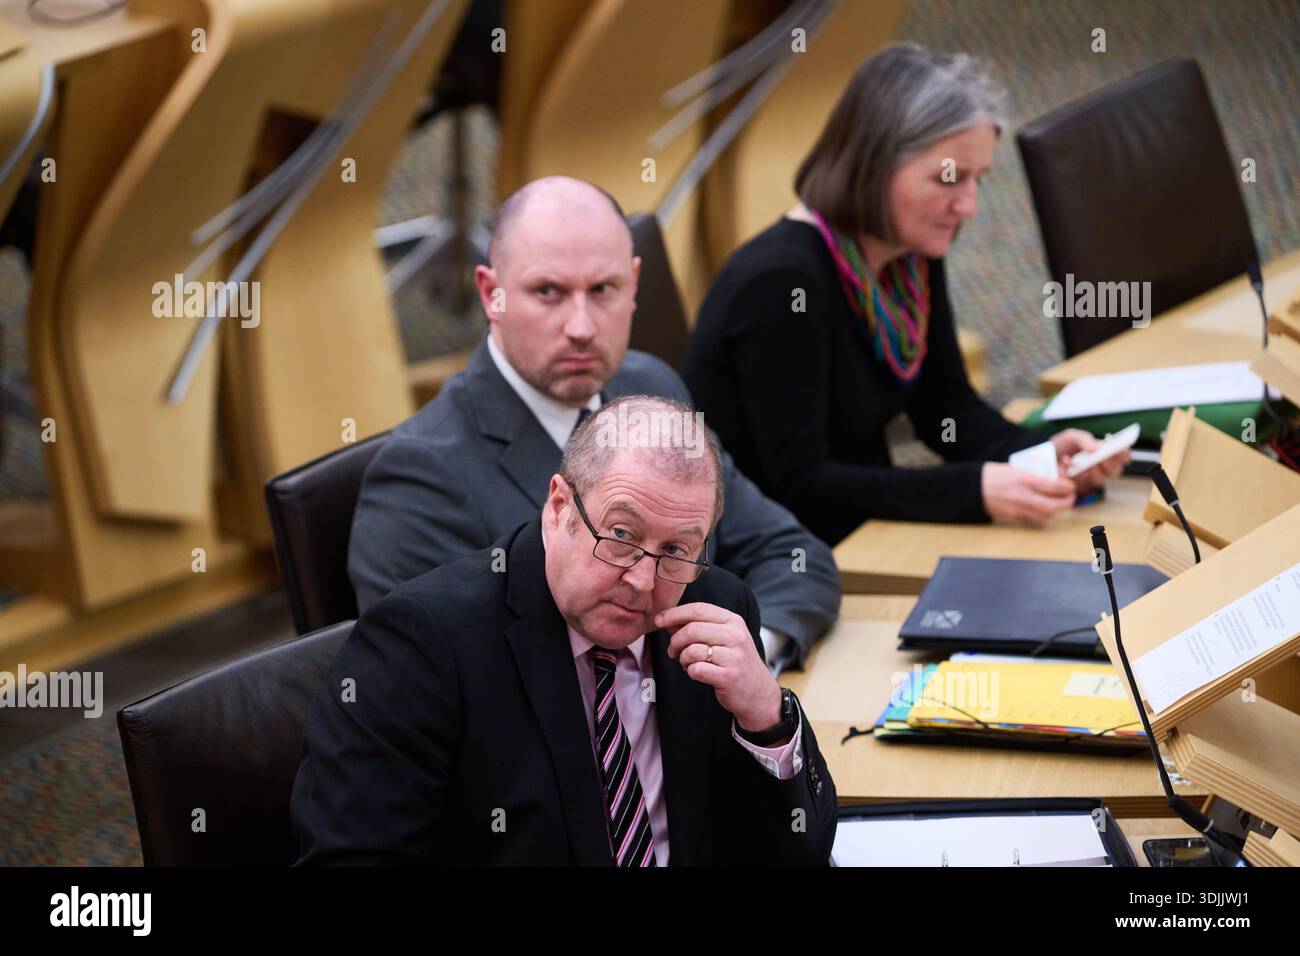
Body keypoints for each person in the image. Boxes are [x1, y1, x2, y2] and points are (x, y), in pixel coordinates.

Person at [292, 395, 837, 866]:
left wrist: (767, 718)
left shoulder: (716, 608)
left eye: (676, 550)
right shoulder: (422, 644)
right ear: (558, 509)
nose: (643, 579)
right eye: (622, 534)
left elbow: (797, 853)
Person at [349, 176, 839, 667]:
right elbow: (440, 688)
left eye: (603, 289)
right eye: (548, 292)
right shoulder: (419, 478)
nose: (581, 327)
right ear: (490, 294)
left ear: (634, 285)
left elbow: (792, 555)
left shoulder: (651, 388)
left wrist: (745, 661)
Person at [682, 43, 1127, 547]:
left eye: (978, 180)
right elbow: (802, 487)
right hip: (774, 557)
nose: (969, 206)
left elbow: (945, 408)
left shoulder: (910, 251)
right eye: (949, 179)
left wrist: (1040, 453)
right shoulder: (782, 284)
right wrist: (974, 491)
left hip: (860, 531)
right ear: (873, 165)